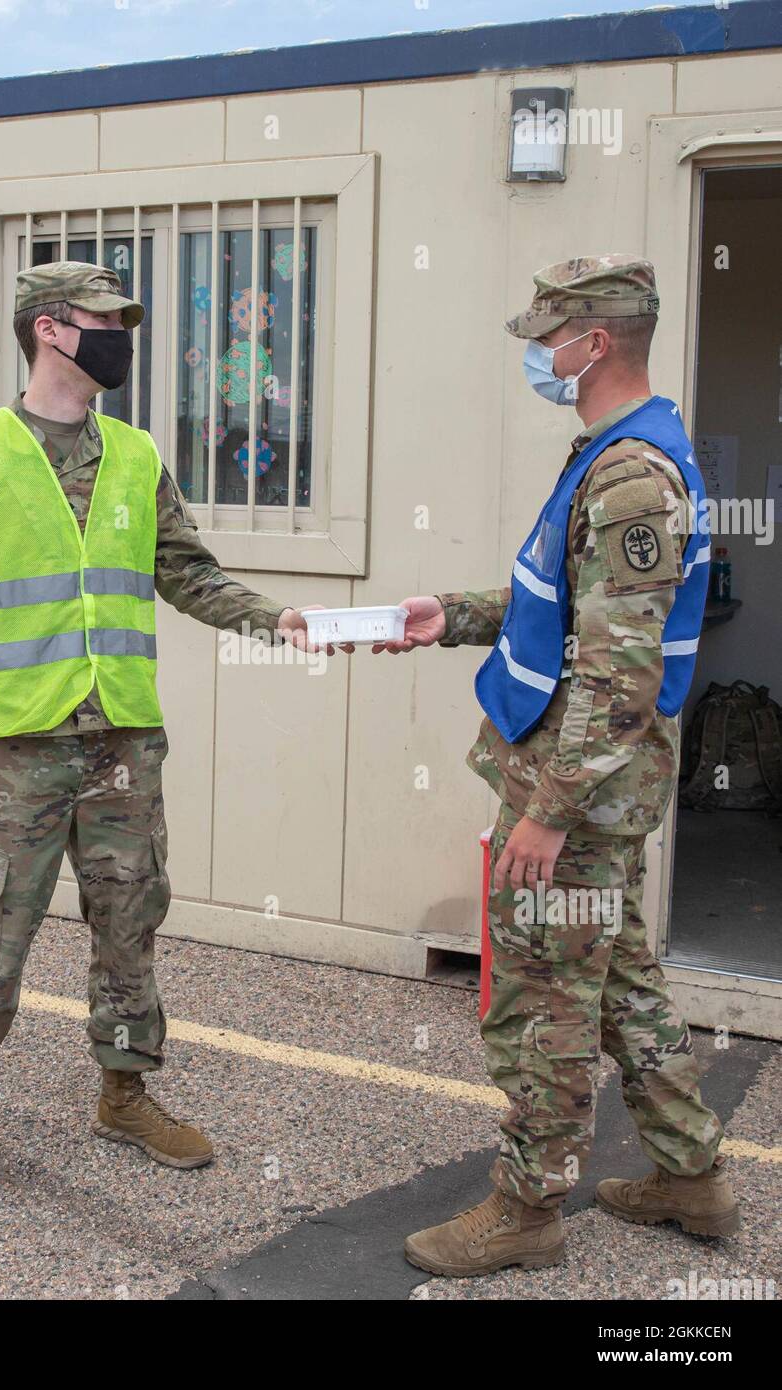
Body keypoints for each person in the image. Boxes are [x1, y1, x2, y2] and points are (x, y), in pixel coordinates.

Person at [0, 260, 314, 1204]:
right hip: (11, 750)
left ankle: (124, 1095)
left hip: (122, 744)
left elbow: (188, 574)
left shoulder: (134, 455)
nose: (121, 333)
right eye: (104, 318)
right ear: (49, 328)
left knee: (130, 926)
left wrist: (276, 620)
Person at [377, 256, 738, 1277]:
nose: (538, 355)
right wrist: (457, 614)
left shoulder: (632, 474)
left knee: (542, 1004)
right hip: (592, 791)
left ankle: (527, 1206)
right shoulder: (617, 453)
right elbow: (566, 605)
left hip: (574, 799)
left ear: (596, 343)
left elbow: (615, 674)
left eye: (548, 339)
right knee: (622, 984)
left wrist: (546, 810)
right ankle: (690, 1174)